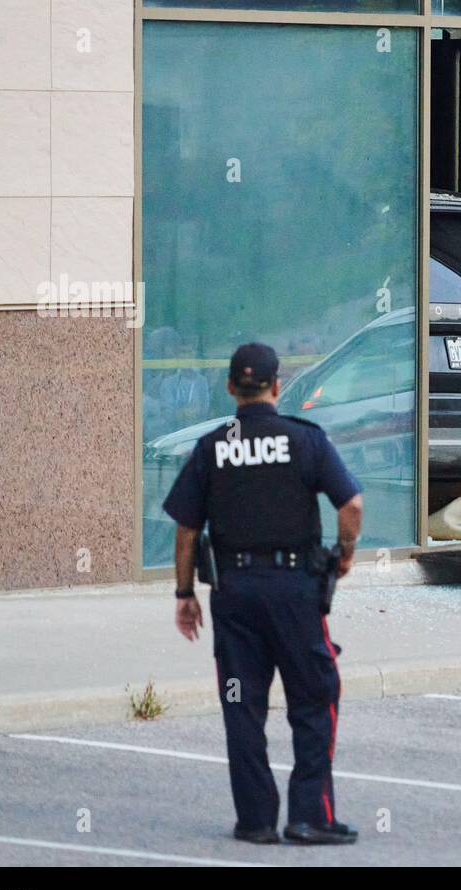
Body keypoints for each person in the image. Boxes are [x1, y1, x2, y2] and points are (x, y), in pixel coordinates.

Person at [162, 342, 364, 846]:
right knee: (315, 697)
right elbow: (352, 504)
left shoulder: (212, 447)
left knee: (241, 703)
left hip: (233, 594)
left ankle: (255, 821)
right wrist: (344, 553)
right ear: (277, 387)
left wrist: (185, 593)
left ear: (231, 388)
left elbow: (187, 530)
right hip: (295, 593)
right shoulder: (305, 440)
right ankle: (309, 816)